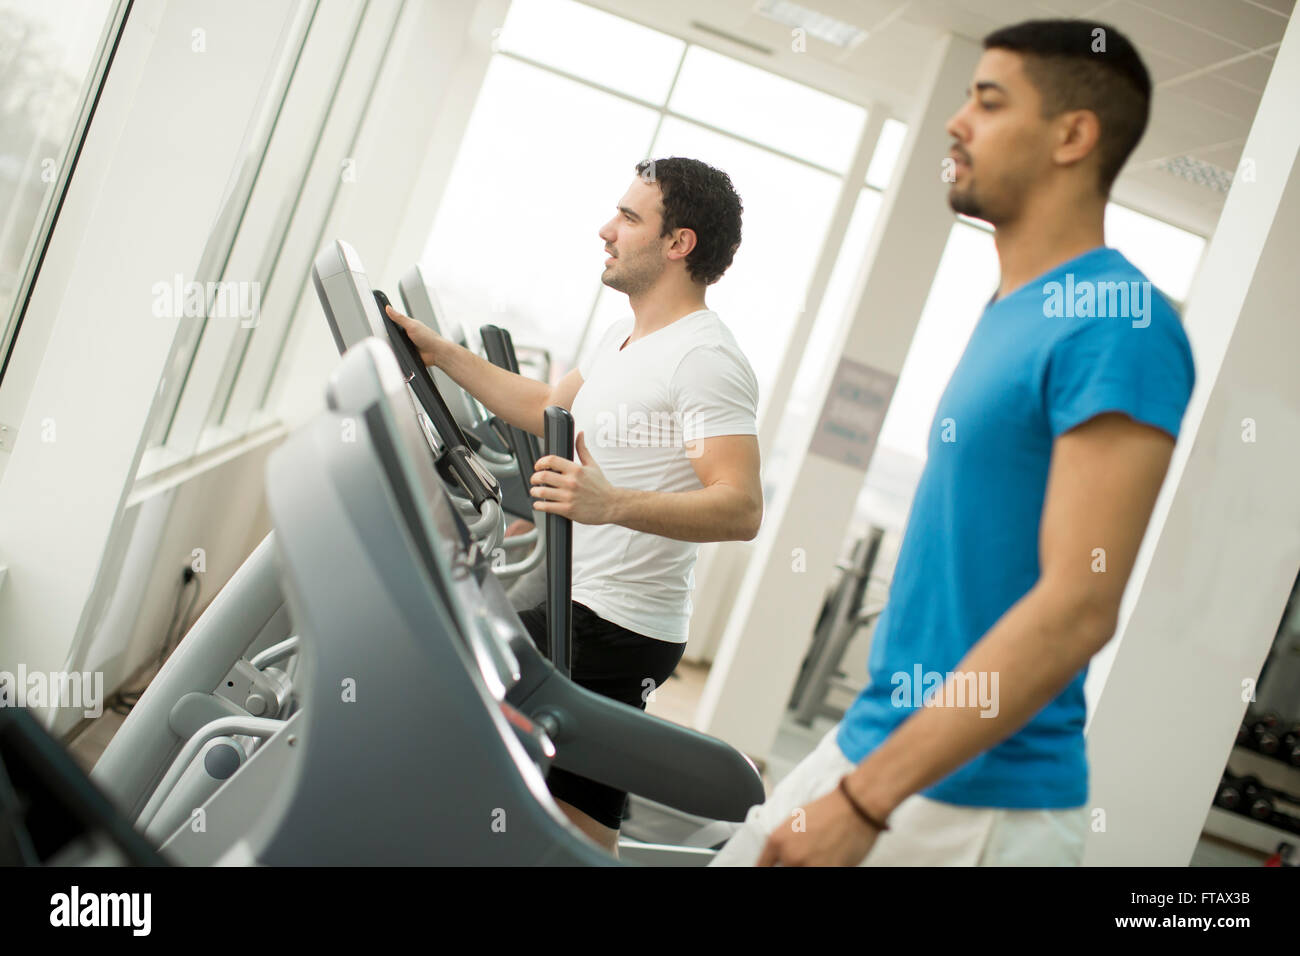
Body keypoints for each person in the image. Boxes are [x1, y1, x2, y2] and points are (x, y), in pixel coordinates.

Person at [713, 18, 1196, 866]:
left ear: (1072, 136)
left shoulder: (1121, 324)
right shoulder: (1014, 310)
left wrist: (866, 801)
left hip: (974, 809)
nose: (956, 121)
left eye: (988, 100)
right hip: (884, 748)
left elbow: (1078, 605)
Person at [386, 157, 763, 854]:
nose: (605, 230)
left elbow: (739, 508)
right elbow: (546, 406)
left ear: (678, 243)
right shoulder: (628, 338)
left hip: (611, 621)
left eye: (627, 217)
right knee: (582, 825)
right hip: (586, 602)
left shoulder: (705, 359)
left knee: (432, 702)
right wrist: (438, 355)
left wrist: (611, 503)